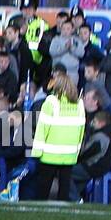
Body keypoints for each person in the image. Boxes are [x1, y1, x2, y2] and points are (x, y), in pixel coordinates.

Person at [30, 67, 86, 201]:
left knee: (43, 188)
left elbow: (42, 128)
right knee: (64, 188)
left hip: (49, 153)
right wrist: (76, 151)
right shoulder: (79, 104)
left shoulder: (51, 102)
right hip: (69, 154)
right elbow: (81, 130)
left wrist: (36, 152)